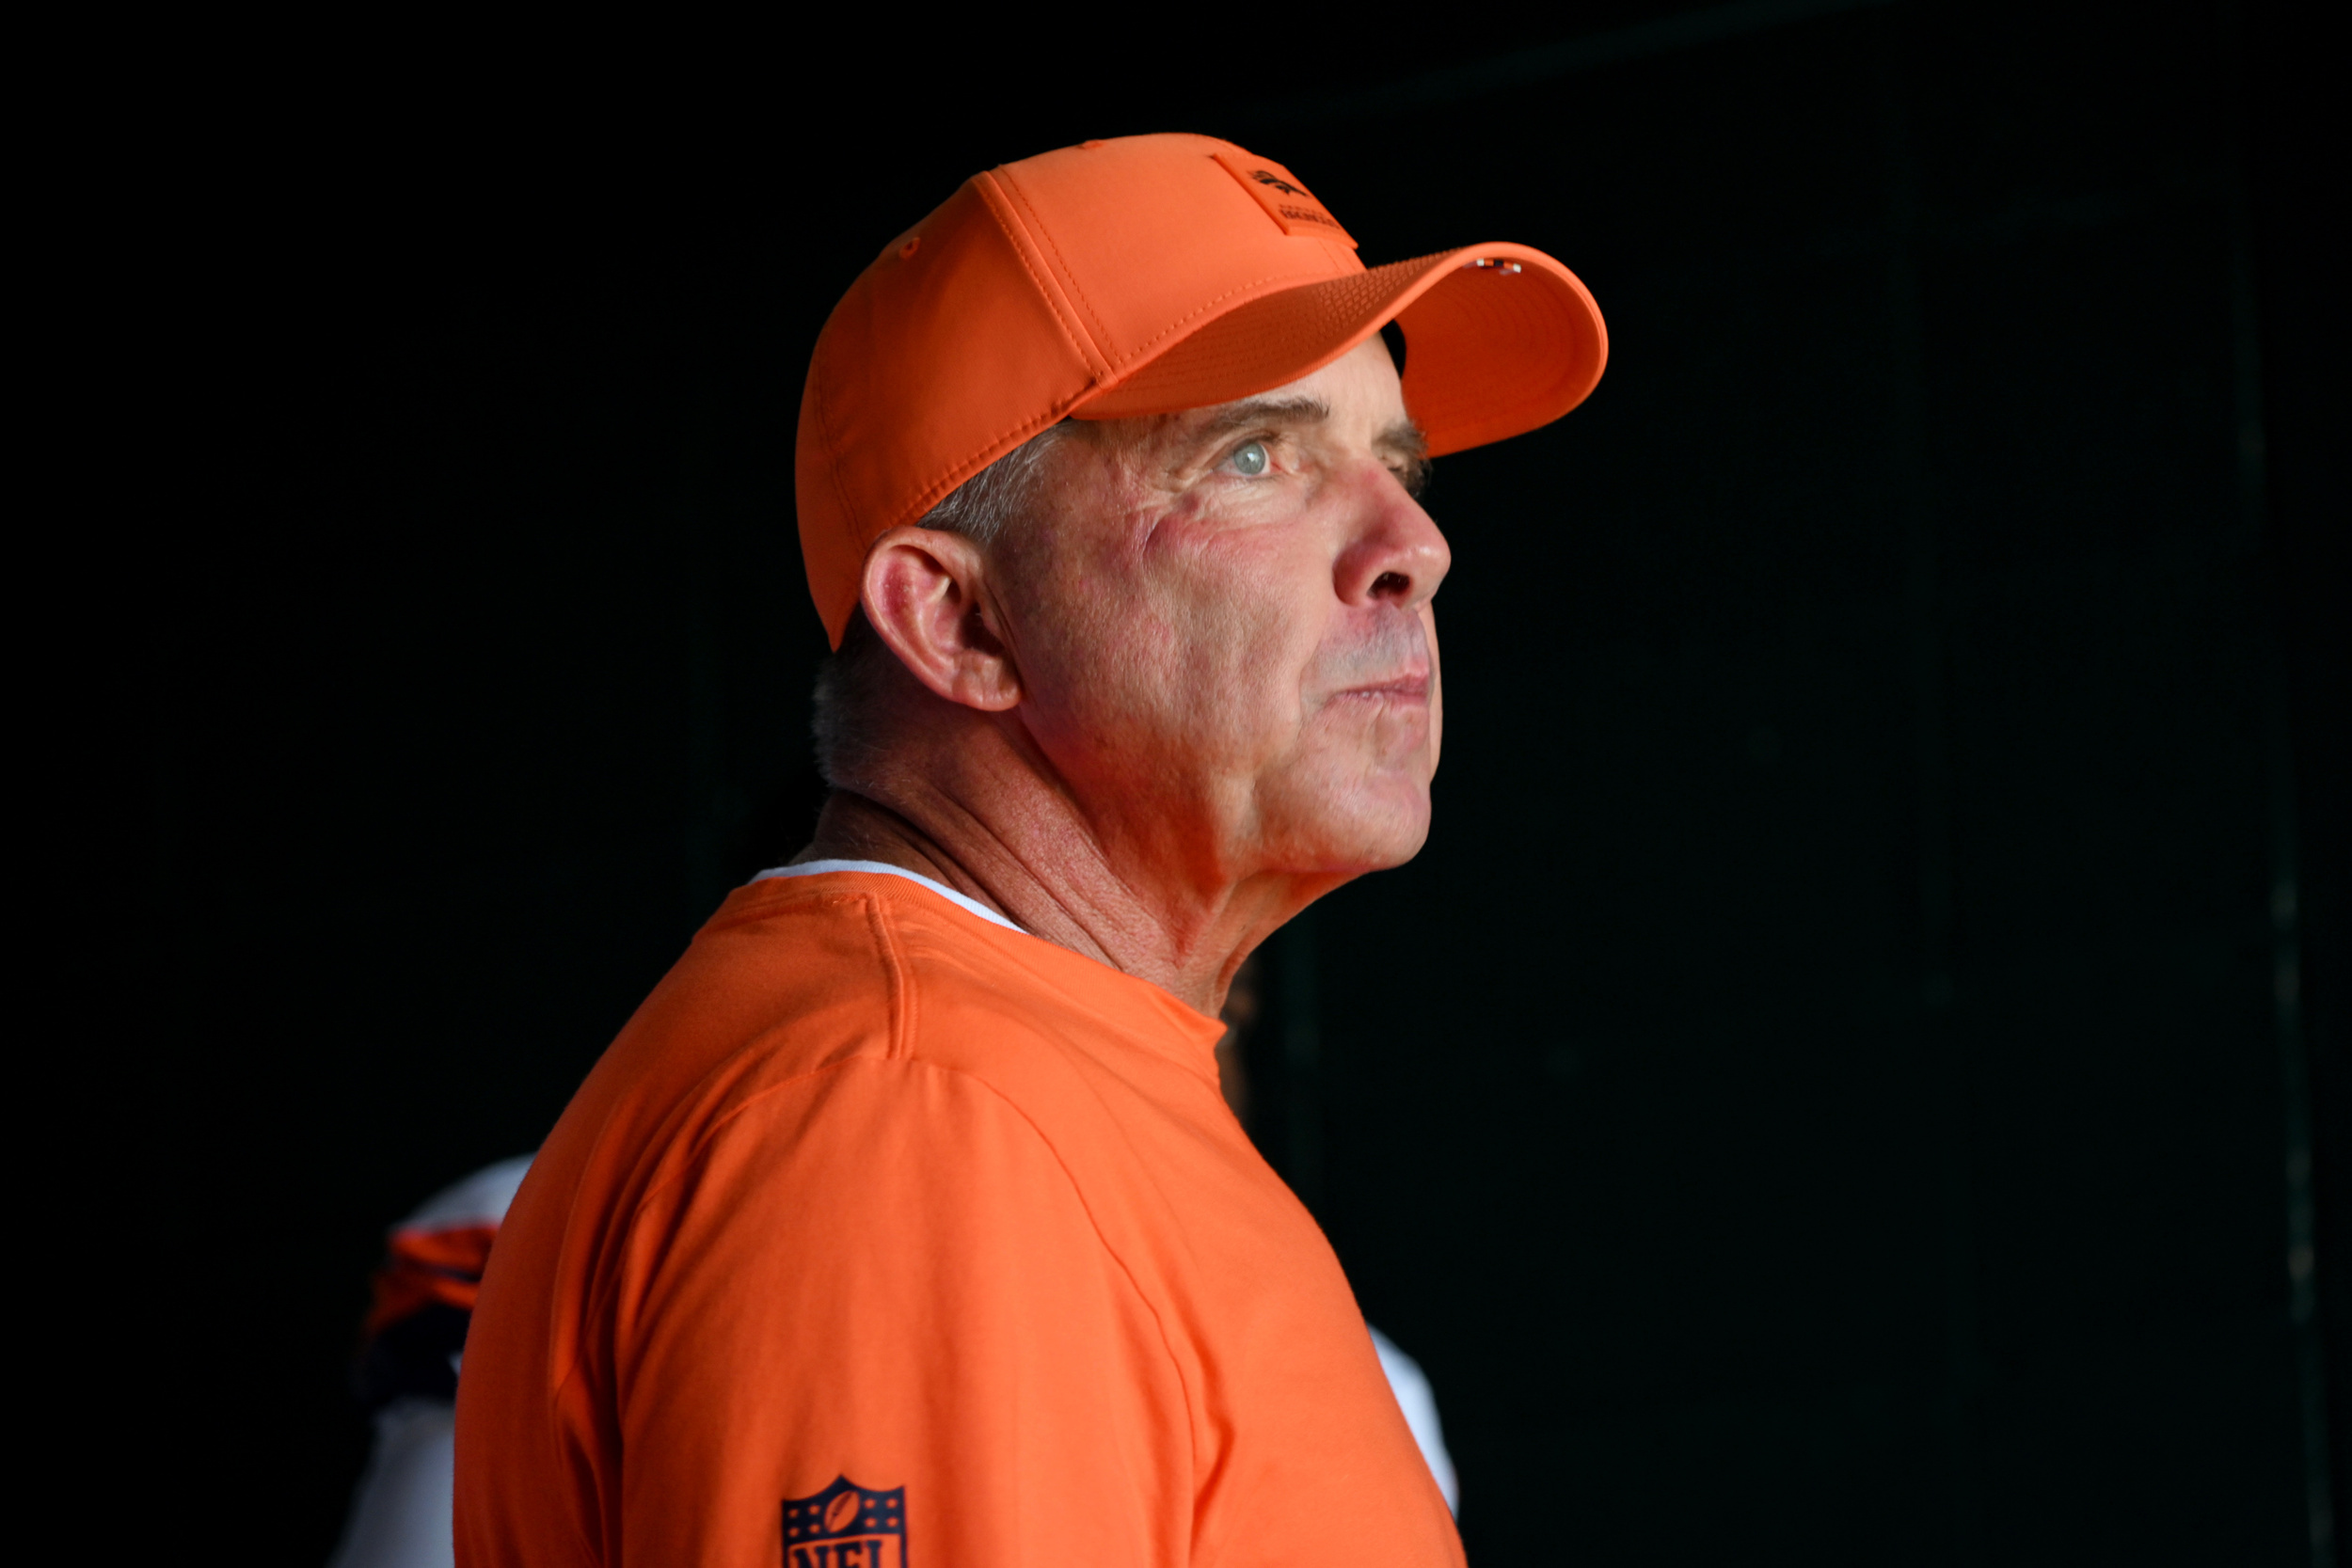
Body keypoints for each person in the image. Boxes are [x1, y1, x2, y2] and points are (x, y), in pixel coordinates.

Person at [456, 131, 1604, 1567]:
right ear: (960, 623)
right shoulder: (909, 1117)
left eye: (1395, 461)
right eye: (1253, 456)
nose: (1411, 545)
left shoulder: (1020, 1081)